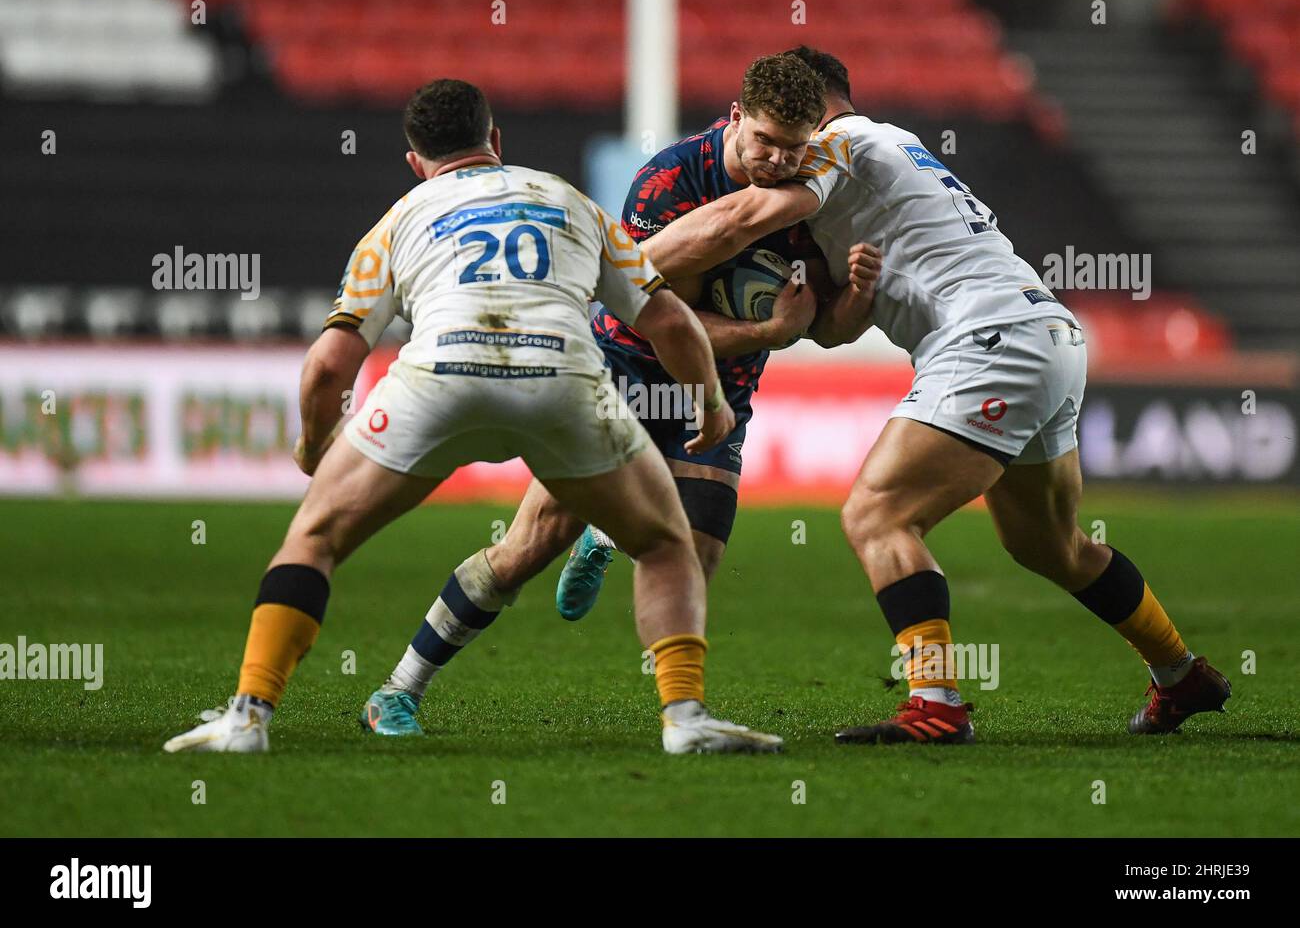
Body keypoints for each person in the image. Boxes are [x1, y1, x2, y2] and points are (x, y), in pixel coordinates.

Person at [163, 78, 781, 755]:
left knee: (313, 539)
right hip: (562, 383)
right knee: (666, 545)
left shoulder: (399, 219)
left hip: (439, 382)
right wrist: (711, 401)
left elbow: (328, 365)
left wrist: (315, 446)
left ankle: (250, 718)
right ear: (495, 141)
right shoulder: (568, 201)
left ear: (414, 161)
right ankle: (685, 721)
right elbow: (669, 320)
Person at [633, 45, 1231, 743]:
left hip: (989, 340)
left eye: (788, 138)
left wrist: (622, 271)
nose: (782, 156)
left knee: (876, 515)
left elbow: (735, 223)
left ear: (815, 111)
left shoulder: (839, 145)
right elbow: (830, 330)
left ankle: (936, 704)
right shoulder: (896, 148)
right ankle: (1180, 672)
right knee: (1051, 544)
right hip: (1047, 333)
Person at [360, 54, 880, 737]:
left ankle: (683, 718)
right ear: (734, 119)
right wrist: (768, 330)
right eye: (764, 142)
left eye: (794, 147)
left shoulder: (815, 200)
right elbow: (661, 320)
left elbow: (828, 331)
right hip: (623, 367)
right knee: (528, 546)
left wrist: (858, 298)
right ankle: (398, 690)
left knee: (697, 558)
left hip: (724, 386)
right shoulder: (670, 179)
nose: (778, 160)